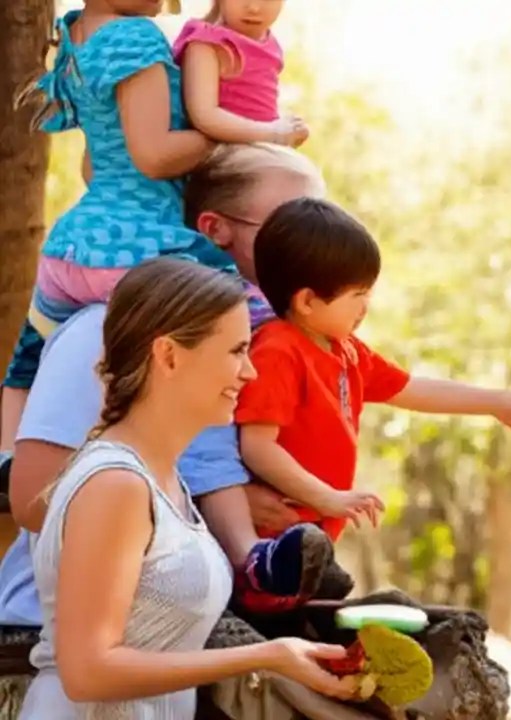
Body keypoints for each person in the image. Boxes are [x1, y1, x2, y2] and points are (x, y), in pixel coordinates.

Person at [0, 142, 333, 629]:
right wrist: (199, 510)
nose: (312, 237)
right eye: (289, 221)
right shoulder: (102, 334)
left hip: (175, 638)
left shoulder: (272, 346)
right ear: (214, 230)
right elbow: (34, 501)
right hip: (52, 636)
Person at [19, 257, 357, 719]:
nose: (250, 372)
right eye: (237, 351)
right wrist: (266, 655)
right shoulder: (115, 484)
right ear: (170, 356)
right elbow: (87, 670)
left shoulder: (162, 478)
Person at [236, 197, 511, 542]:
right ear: (307, 301)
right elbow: (258, 446)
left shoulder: (347, 350)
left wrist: (501, 404)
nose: (366, 306)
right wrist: (327, 498)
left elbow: (412, 389)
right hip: (273, 537)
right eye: (358, 294)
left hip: (318, 532)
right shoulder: (277, 351)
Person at [1, 0, 231, 452]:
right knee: (239, 314)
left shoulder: (77, 36)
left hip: (71, 247)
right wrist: (220, 134)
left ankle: (7, 454)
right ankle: (210, 480)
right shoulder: (134, 37)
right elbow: (154, 155)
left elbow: (93, 167)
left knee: (28, 357)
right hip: (138, 244)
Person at [173, 0, 308, 146]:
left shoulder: (271, 43)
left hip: (261, 143)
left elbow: (260, 108)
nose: (254, 8)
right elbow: (204, 116)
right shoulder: (207, 42)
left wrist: (287, 129)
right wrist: (273, 133)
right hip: (220, 148)